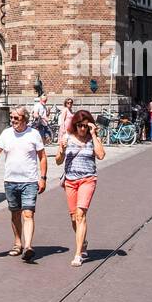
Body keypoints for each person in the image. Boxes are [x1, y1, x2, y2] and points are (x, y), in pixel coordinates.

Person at [0, 107, 47, 263]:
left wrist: (43, 177)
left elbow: (42, 157)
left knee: (28, 213)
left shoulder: (34, 134)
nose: (13, 120)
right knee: (15, 214)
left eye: (16, 118)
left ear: (25, 119)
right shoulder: (6, 134)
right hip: (10, 181)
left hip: (29, 181)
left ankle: (28, 247)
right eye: (11, 117)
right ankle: (18, 243)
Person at [55, 110, 105, 266]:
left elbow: (101, 155)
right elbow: (58, 161)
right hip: (70, 180)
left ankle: (78, 254)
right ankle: (82, 242)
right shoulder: (67, 138)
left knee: (81, 214)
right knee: (74, 217)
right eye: (80, 126)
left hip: (87, 179)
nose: (82, 129)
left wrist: (94, 134)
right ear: (74, 125)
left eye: (85, 126)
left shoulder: (92, 139)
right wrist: (62, 150)